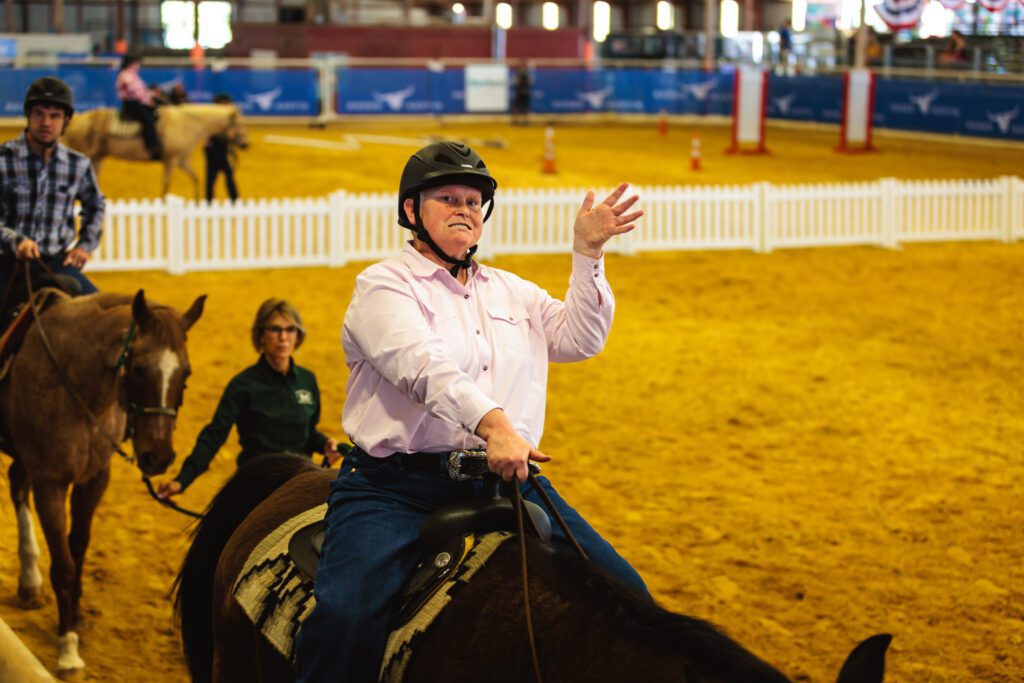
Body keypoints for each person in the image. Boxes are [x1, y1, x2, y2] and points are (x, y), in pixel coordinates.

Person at [295, 141, 647, 682]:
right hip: (395, 488)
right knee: (345, 618)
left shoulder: (511, 291)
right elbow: (423, 368)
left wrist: (588, 255)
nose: (465, 208)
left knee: (628, 595)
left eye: (474, 200)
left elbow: (581, 338)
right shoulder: (383, 286)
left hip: (507, 480)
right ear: (412, 211)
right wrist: (498, 426)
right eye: (448, 198)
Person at [156, 298, 342, 500]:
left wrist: (325, 444)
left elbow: (307, 432)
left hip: (299, 483)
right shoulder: (243, 385)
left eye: (290, 330)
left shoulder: (307, 380)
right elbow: (214, 435)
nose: (283, 337)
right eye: (275, 330)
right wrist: (182, 480)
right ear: (261, 336)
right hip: (257, 484)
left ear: (298, 336)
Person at [0, 76, 105, 306]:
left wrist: (84, 246)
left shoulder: (78, 164)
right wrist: (16, 241)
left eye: (55, 115)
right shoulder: (3, 159)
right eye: (39, 113)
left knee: (99, 313)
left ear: (66, 120)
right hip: (7, 263)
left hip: (56, 263)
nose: (46, 122)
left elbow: (96, 205)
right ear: (28, 116)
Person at [115, 53, 162, 159]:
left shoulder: (131, 75)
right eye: (137, 62)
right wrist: (149, 101)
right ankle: (152, 146)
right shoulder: (126, 75)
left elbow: (142, 91)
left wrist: (151, 95)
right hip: (132, 104)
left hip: (137, 102)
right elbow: (136, 93)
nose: (139, 65)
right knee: (147, 120)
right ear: (131, 63)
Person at [204, 93, 239, 202]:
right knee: (216, 177)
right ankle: (233, 200)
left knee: (219, 176)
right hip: (214, 149)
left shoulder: (226, 116)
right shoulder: (214, 116)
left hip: (220, 148)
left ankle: (232, 200)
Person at [511, 61, 531, 126]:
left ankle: (526, 121)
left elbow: (530, 82)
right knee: (516, 107)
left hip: (525, 92)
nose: (523, 67)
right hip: (519, 92)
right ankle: (515, 121)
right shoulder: (518, 73)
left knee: (526, 108)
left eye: (524, 66)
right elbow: (515, 82)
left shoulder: (528, 73)